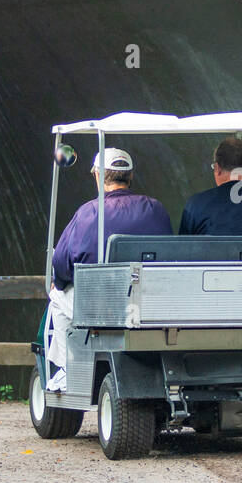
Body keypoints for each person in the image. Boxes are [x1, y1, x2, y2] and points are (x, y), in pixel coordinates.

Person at [45, 147, 171, 390]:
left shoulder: (88, 212)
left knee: (58, 298)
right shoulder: (155, 208)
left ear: (98, 176)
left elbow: (61, 262)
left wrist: (59, 282)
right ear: (130, 176)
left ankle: (64, 370)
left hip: (103, 308)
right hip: (148, 305)